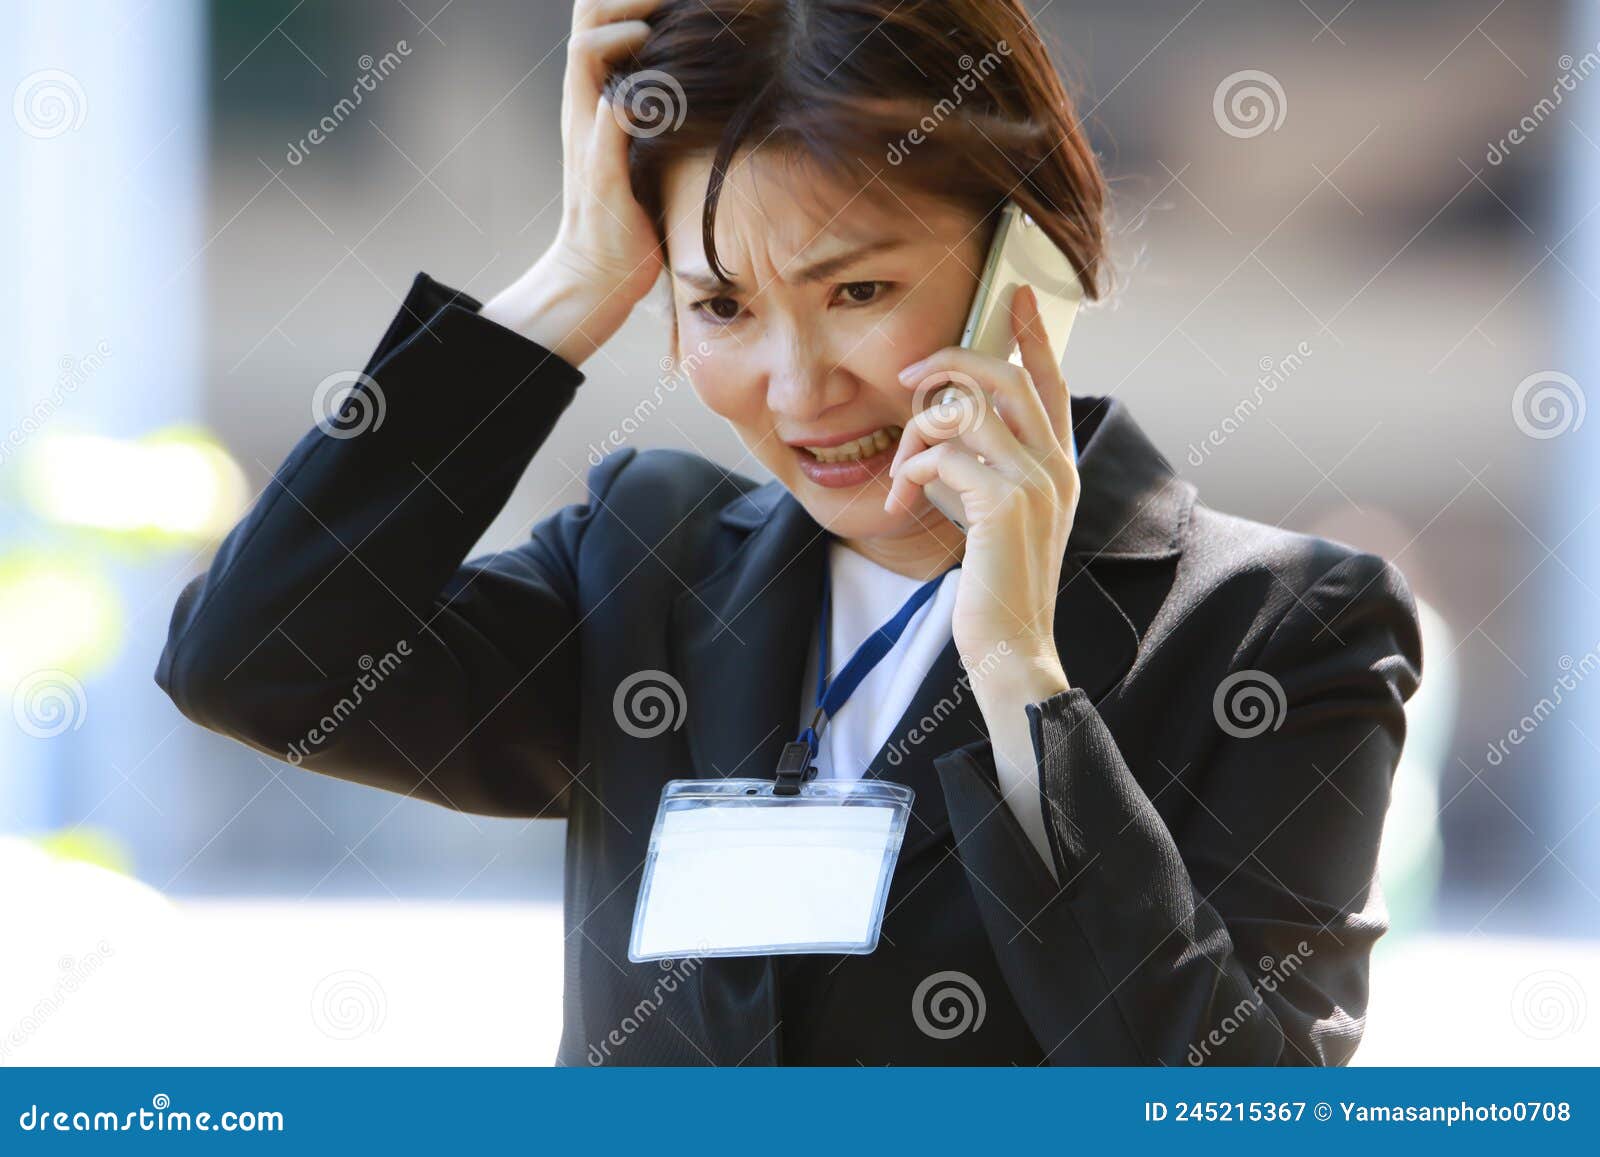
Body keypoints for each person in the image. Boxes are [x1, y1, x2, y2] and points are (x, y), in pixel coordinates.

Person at [154, 0, 1423, 1065]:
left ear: (1028, 264)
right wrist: (573, 279)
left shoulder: (1282, 629)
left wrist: (1021, 679)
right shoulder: (645, 563)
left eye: (857, 290)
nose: (799, 387)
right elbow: (256, 662)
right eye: (721, 305)